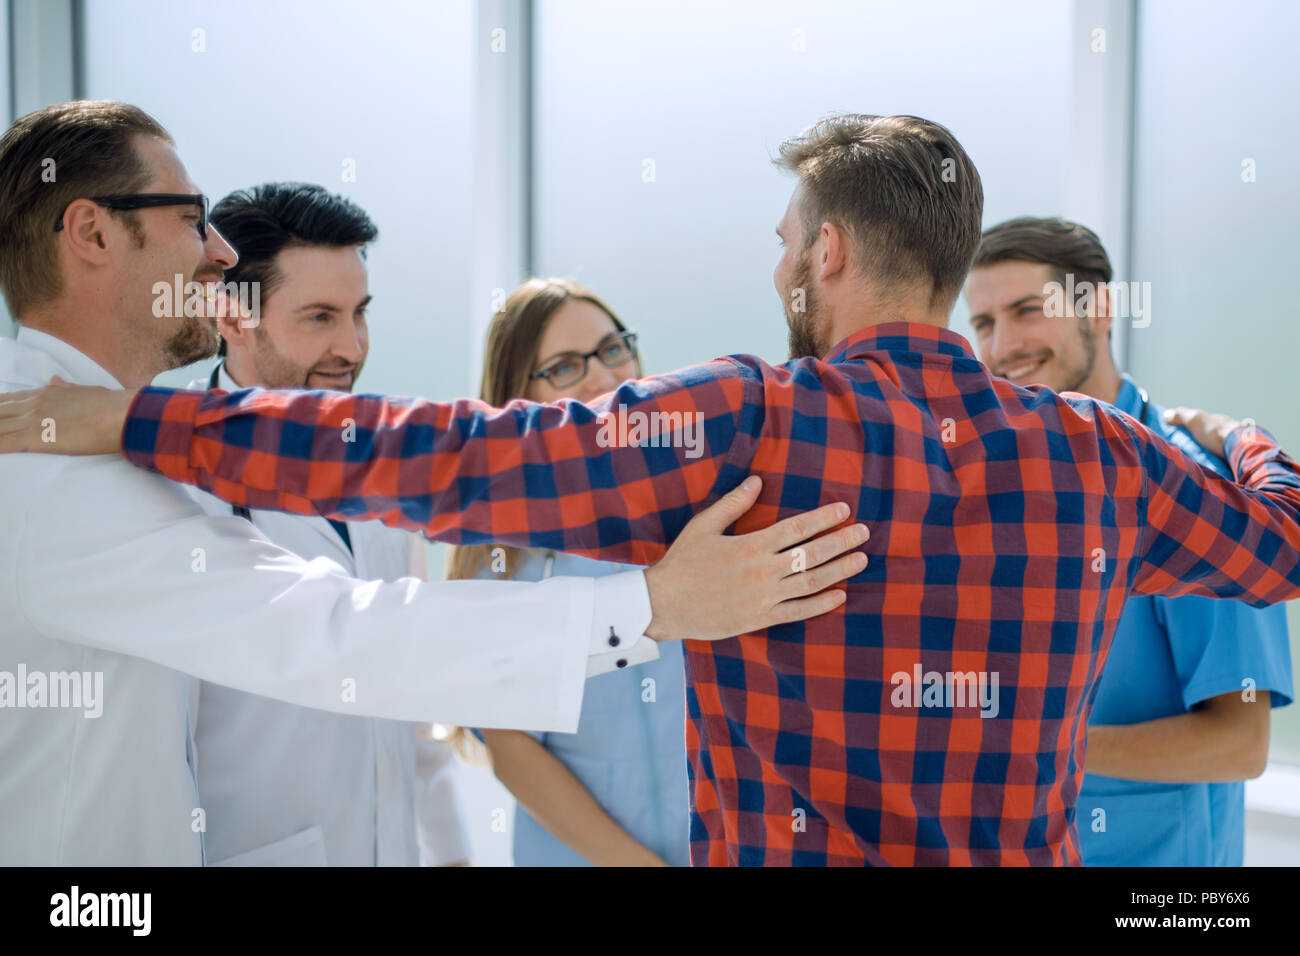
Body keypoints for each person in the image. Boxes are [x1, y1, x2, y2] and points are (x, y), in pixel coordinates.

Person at [8, 112, 1300, 867]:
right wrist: (1239, 439)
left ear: (828, 252)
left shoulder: (744, 423)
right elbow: (1278, 542)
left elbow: (439, 454)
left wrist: (145, 419)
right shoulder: (1102, 453)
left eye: (787, 243)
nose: (779, 265)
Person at [0, 101, 864, 865]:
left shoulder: (113, 447)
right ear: (93, 233)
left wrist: (447, 855)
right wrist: (653, 605)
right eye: (191, 220)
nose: (215, 252)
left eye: (360, 313)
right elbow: (335, 634)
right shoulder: (59, 469)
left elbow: (408, 716)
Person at [963, 216, 1294, 866]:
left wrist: (1034, 746)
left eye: (1027, 310)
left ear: (1100, 310)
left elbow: (1240, 743)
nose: (1003, 346)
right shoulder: (1010, 491)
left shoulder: (1193, 483)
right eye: (982, 322)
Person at [184, 181, 476, 866]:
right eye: (320, 317)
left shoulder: (381, 460)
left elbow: (408, 686)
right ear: (232, 318)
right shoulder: (173, 487)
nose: (352, 347)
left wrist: (453, 854)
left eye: (359, 314)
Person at [448, 278, 689, 866]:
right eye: (563, 367)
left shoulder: (695, 507)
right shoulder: (499, 557)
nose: (603, 378)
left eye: (612, 349)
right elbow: (514, 753)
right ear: (517, 397)